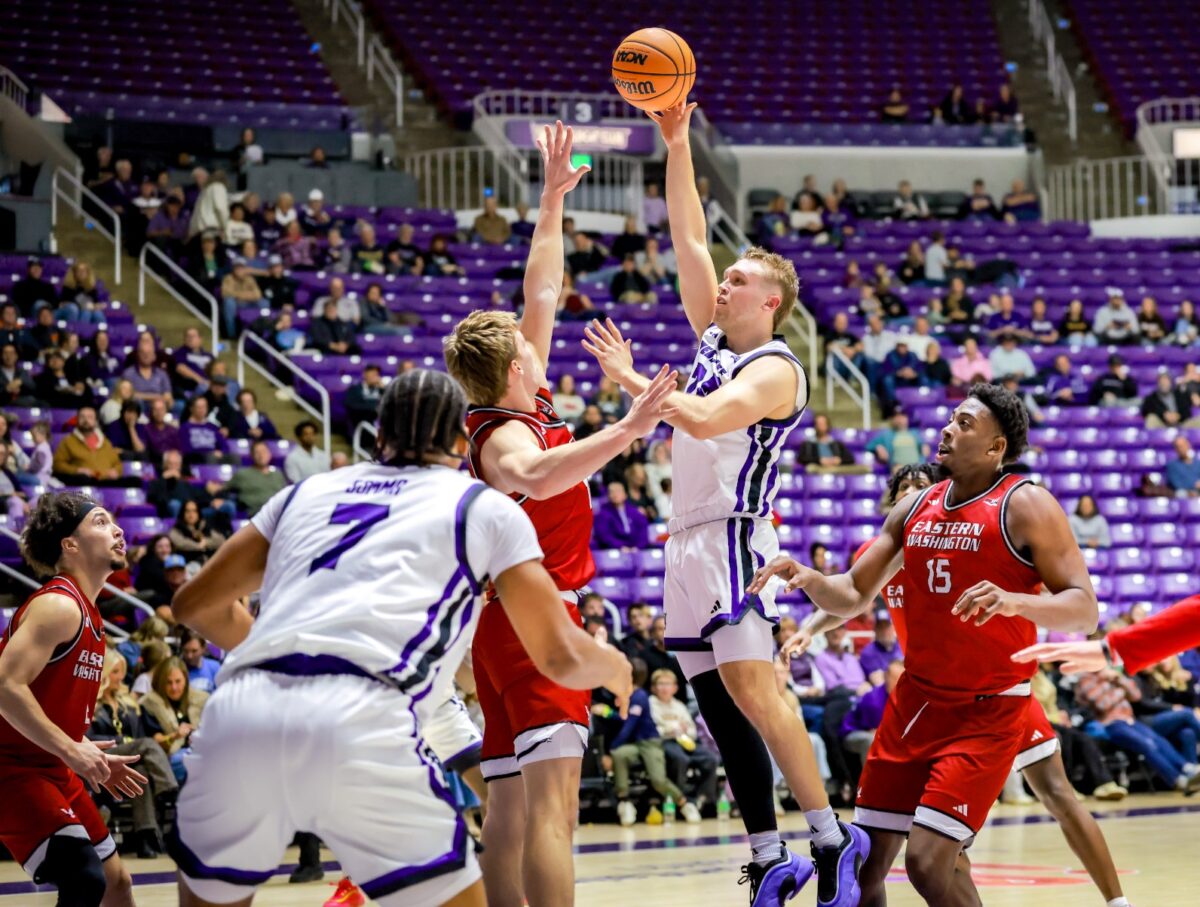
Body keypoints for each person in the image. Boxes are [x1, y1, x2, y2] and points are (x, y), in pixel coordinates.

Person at [164, 366, 632, 907]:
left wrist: (275, 653)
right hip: (365, 716)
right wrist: (616, 668)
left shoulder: (306, 492)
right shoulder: (478, 505)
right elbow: (559, 654)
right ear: (462, 441)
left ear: (378, 435)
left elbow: (192, 604)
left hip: (240, 715)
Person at [585, 103, 866, 906]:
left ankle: (829, 837)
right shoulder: (713, 342)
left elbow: (705, 417)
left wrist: (636, 382)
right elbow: (687, 237)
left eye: (741, 278)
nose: (725, 280)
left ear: (769, 301)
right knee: (719, 705)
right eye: (730, 272)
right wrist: (676, 144)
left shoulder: (778, 369)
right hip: (685, 543)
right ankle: (770, 853)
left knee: (756, 689)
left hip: (739, 539)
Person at [757, 384, 1101, 907]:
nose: (947, 428)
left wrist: (1015, 601)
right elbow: (852, 592)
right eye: (951, 418)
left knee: (925, 862)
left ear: (995, 448)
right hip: (917, 705)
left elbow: (1085, 609)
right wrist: (809, 577)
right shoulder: (916, 507)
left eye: (965, 424)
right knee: (864, 867)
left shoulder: (1026, 503)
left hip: (986, 711)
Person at [442, 124, 671, 907]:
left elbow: (542, 287)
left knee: (508, 810)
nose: (539, 337)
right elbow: (536, 477)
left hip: (507, 633)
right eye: (527, 346)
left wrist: (548, 204)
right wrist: (629, 429)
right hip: (539, 627)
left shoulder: (522, 399)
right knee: (552, 813)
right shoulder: (502, 435)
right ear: (514, 365)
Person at [0, 493, 142, 906]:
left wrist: (75, 746)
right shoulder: (59, 605)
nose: (116, 530)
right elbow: (5, 687)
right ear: (70, 544)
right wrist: (71, 750)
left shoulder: (89, 613)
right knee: (83, 877)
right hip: (10, 768)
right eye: (100, 522)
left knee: (118, 883)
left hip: (51, 765)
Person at [87, 647, 179, 858]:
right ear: (104, 673)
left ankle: (145, 837)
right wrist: (121, 741)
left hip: (130, 756)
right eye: (116, 672)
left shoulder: (129, 704)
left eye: (122, 672)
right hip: (103, 756)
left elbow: (137, 736)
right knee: (146, 744)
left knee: (140, 771)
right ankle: (168, 788)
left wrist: (131, 742)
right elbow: (88, 739)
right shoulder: (91, 703)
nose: (121, 677)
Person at [607, 659, 700, 826]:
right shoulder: (629, 695)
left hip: (651, 743)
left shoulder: (640, 696)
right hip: (637, 744)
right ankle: (625, 801)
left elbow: (629, 725)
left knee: (658, 780)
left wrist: (609, 749)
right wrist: (606, 712)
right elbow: (623, 716)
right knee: (619, 755)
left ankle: (685, 803)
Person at [650, 668, 719, 811]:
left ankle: (700, 798)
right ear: (654, 687)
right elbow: (653, 729)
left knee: (711, 759)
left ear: (675, 688)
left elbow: (692, 729)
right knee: (681, 759)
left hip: (685, 741)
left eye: (668, 684)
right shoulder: (651, 704)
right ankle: (678, 799)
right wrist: (672, 729)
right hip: (665, 741)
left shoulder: (679, 705)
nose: (664, 688)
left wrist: (686, 731)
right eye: (661, 684)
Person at [220, 439, 287, 516]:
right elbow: (224, 488)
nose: (261, 455)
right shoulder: (243, 474)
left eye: (264, 451)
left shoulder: (278, 474)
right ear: (252, 456)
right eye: (257, 452)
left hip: (279, 513)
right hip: (257, 514)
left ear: (270, 454)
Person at [593, 481, 649, 550]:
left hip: (636, 549)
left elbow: (643, 533)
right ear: (608, 495)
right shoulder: (602, 513)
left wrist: (637, 547)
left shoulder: (635, 512)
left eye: (618, 491)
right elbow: (603, 535)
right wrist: (620, 547)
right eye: (612, 492)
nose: (615, 494)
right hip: (613, 550)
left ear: (625, 495)